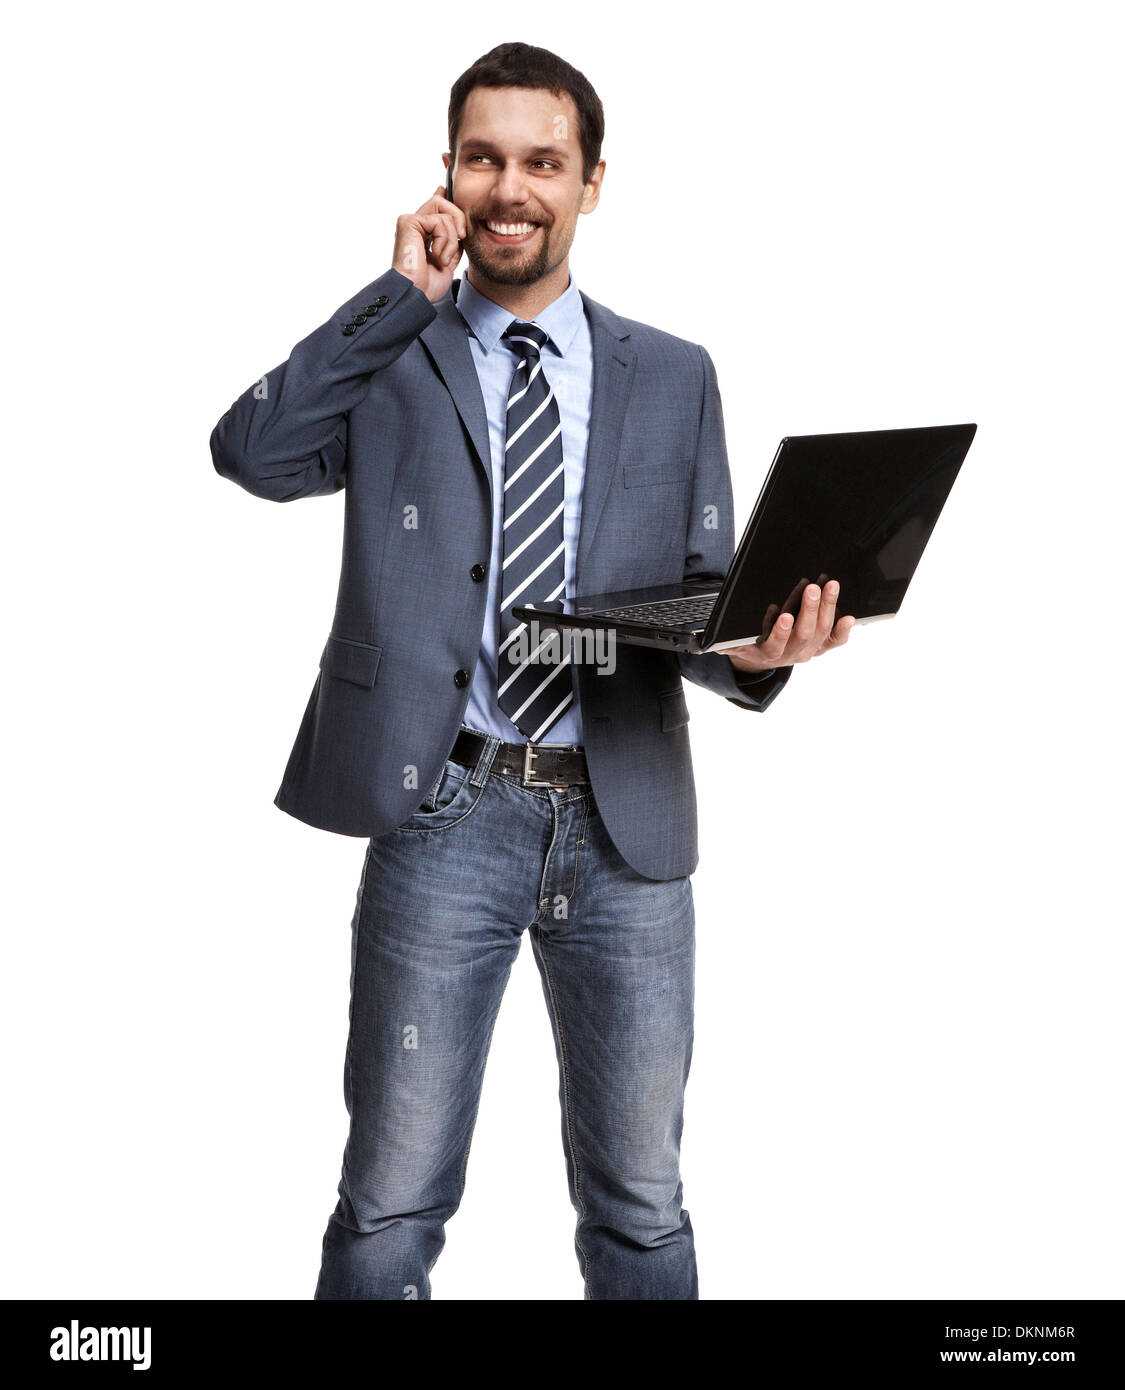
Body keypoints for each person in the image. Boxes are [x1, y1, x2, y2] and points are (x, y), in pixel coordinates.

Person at [210, 41, 854, 1301]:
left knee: (642, 1208)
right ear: (447, 175)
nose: (513, 187)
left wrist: (764, 650)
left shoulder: (674, 374)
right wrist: (395, 293)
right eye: (484, 158)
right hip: (440, 809)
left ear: (592, 182)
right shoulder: (395, 353)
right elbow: (253, 451)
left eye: (542, 162)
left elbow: (699, 598)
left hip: (625, 826)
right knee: (390, 1202)